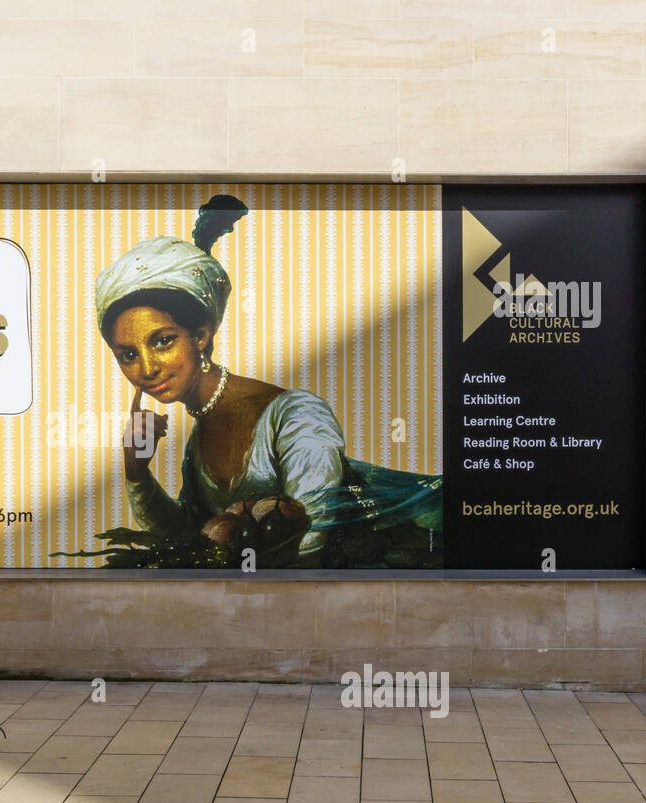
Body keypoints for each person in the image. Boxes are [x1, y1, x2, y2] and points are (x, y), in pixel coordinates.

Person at [96, 194, 443, 569]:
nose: (146, 368)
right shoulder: (198, 443)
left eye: (163, 341)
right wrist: (136, 472)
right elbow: (187, 538)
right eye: (128, 355)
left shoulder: (294, 416)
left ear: (200, 334)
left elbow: (312, 542)